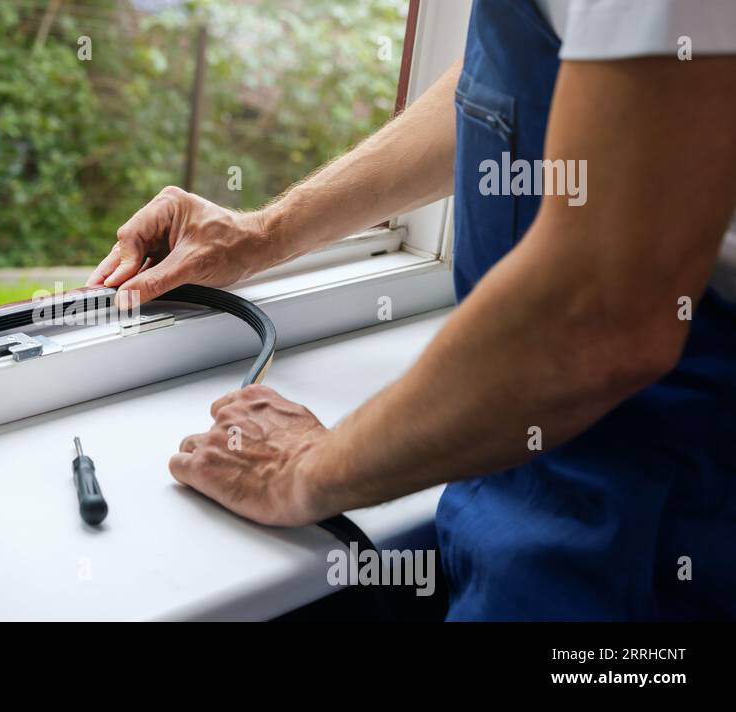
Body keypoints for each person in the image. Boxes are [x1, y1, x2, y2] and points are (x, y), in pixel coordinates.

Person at [85, 0, 736, 620]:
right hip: (533, 484)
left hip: (646, 530)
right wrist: (265, 232)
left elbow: (597, 317)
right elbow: (519, 75)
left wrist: (306, 469)